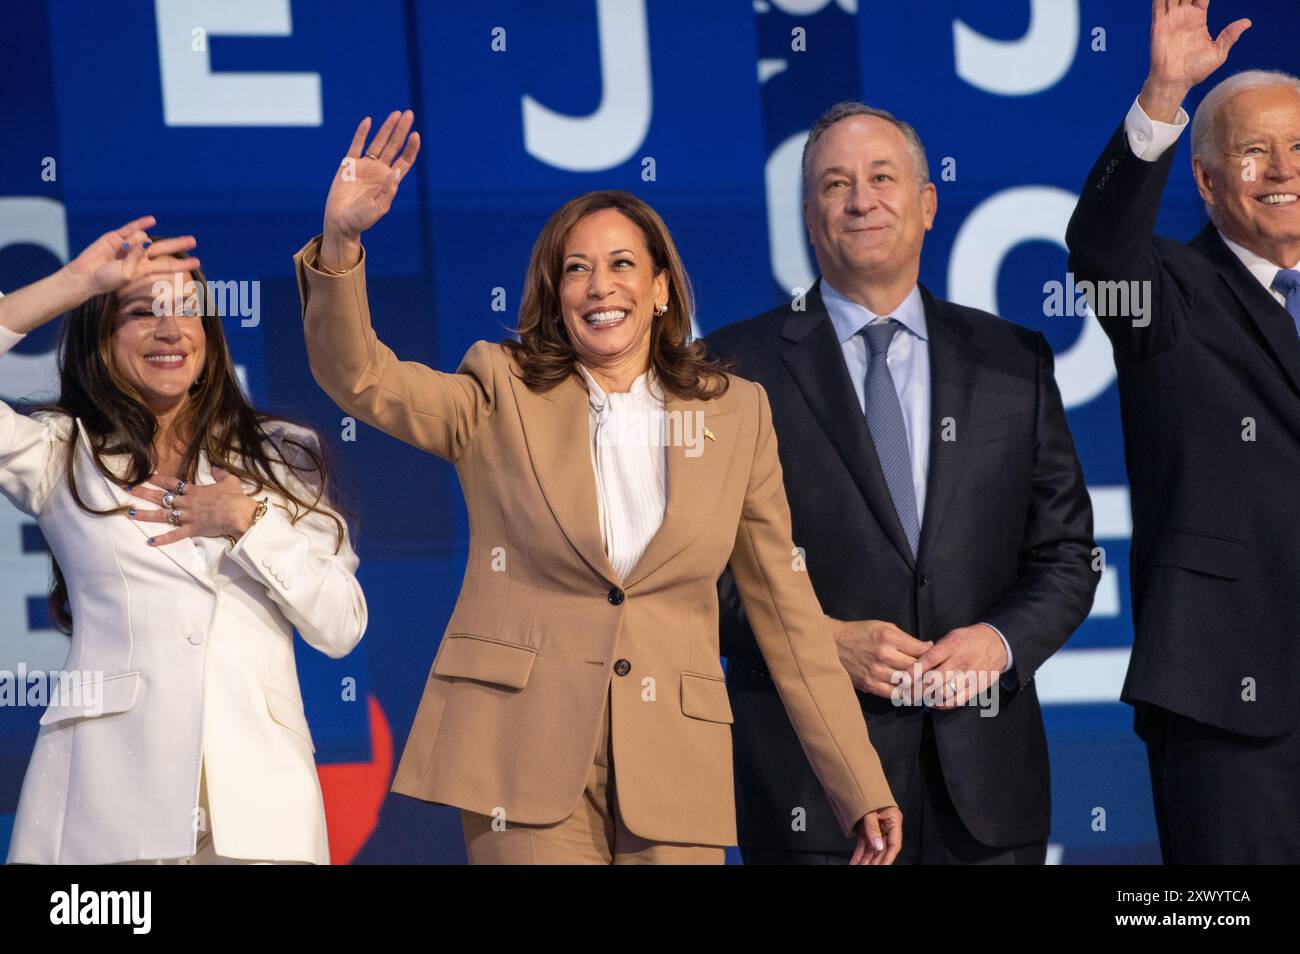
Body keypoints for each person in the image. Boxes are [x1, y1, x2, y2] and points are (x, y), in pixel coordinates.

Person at [294, 109, 902, 864]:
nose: (598, 285)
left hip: (674, 762)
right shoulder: (498, 389)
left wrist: (857, 782)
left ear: (658, 289)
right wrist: (343, 243)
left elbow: (788, 614)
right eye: (575, 268)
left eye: (621, 264)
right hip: (519, 753)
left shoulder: (735, 413)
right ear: (554, 294)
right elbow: (361, 378)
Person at [708, 101, 1098, 864]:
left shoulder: (1013, 360)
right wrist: (818, 645)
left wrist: (996, 642)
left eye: (883, 178)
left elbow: (1067, 557)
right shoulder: (728, 368)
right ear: (808, 216)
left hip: (987, 798)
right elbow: (693, 576)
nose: (861, 199)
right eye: (835, 184)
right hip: (813, 796)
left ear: (926, 203)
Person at [0, 218, 366, 864]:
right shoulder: (63, 452)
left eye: (186, 312)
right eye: (141, 313)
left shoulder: (283, 456)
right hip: (104, 802)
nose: (169, 331)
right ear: (103, 337)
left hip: (260, 811)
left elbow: (341, 626)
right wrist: (73, 283)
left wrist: (252, 522)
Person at [1066, 1, 1300, 863]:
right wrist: (1164, 94)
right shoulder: (1166, 293)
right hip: (1232, 705)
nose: (1282, 169)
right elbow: (1099, 245)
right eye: (1253, 151)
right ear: (1205, 179)